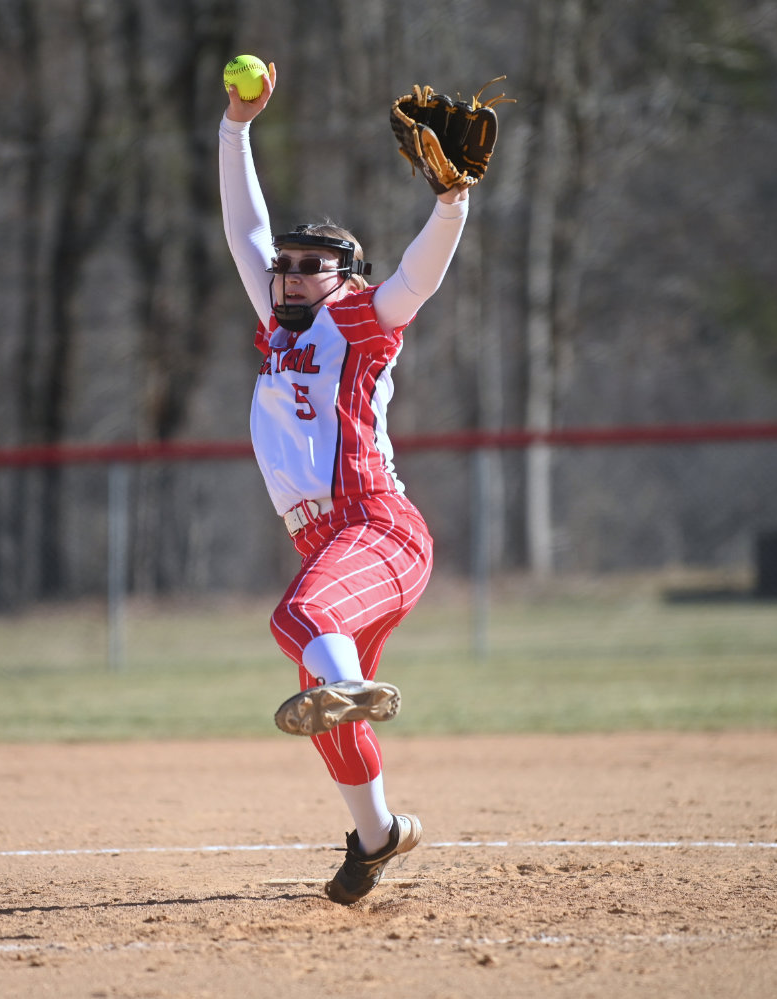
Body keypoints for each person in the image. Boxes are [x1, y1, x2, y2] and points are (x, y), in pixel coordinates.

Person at [219, 62, 469, 905]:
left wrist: (451, 203)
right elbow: (243, 231)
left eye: (311, 264)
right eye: (285, 264)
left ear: (344, 278)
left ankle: (344, 684)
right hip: (331, 543)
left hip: (381, 530)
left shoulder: (354, 320)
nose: (289, 273)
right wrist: (236, 127)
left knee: (302, 618)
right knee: (326, 714)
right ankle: (380, 835)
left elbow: (415, 281)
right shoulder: (278, 333)